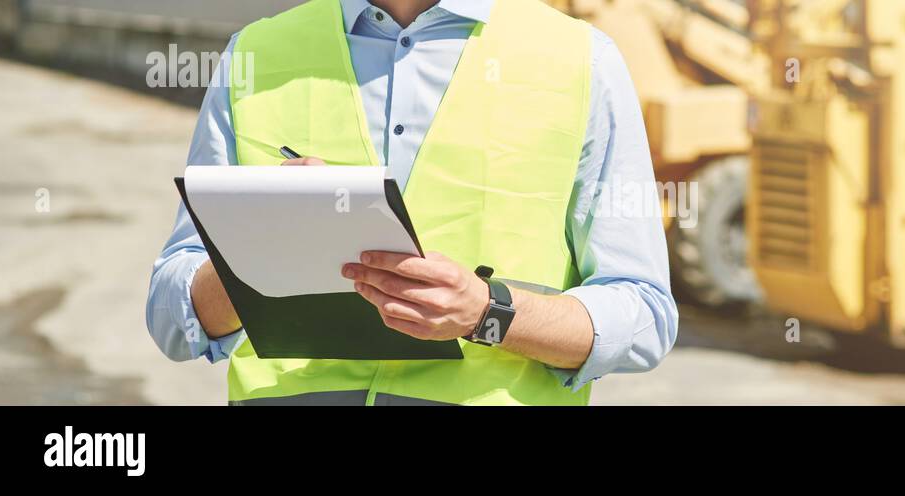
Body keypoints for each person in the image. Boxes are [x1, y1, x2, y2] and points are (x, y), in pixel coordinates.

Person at [145, 0, 678, 405]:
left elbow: (644, 316)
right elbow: (173, 316)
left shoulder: (582, 61)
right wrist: (258, 247)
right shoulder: (257, 54)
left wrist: (486, 313)